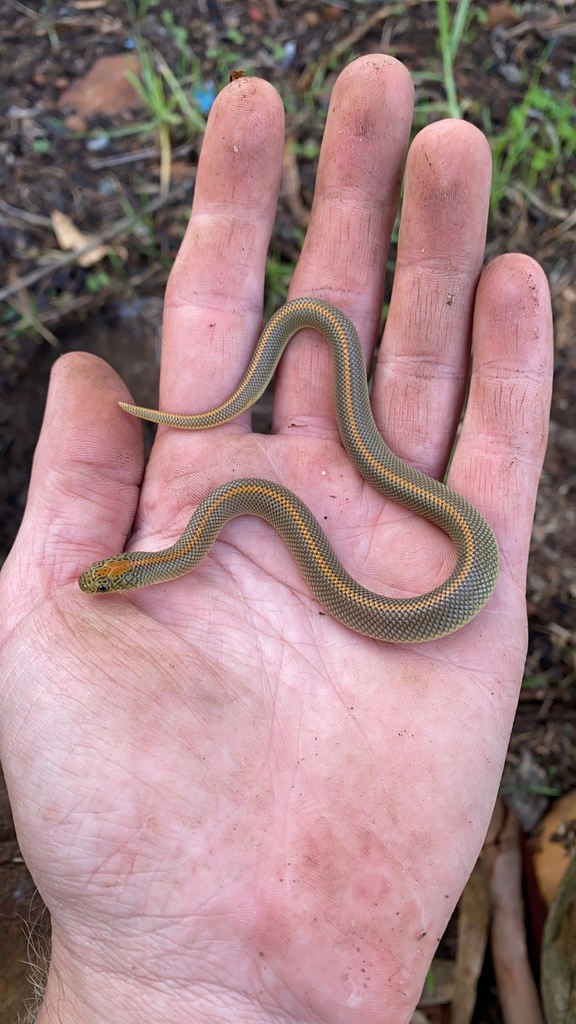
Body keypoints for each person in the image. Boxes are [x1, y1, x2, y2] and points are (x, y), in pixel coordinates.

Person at [0, 56, 552, 1024]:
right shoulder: (197, 535)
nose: (101, 583)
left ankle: (321, 341)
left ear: (130, 574)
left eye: (108, 579)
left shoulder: (203, 531)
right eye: (108, 581)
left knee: (379, 445)